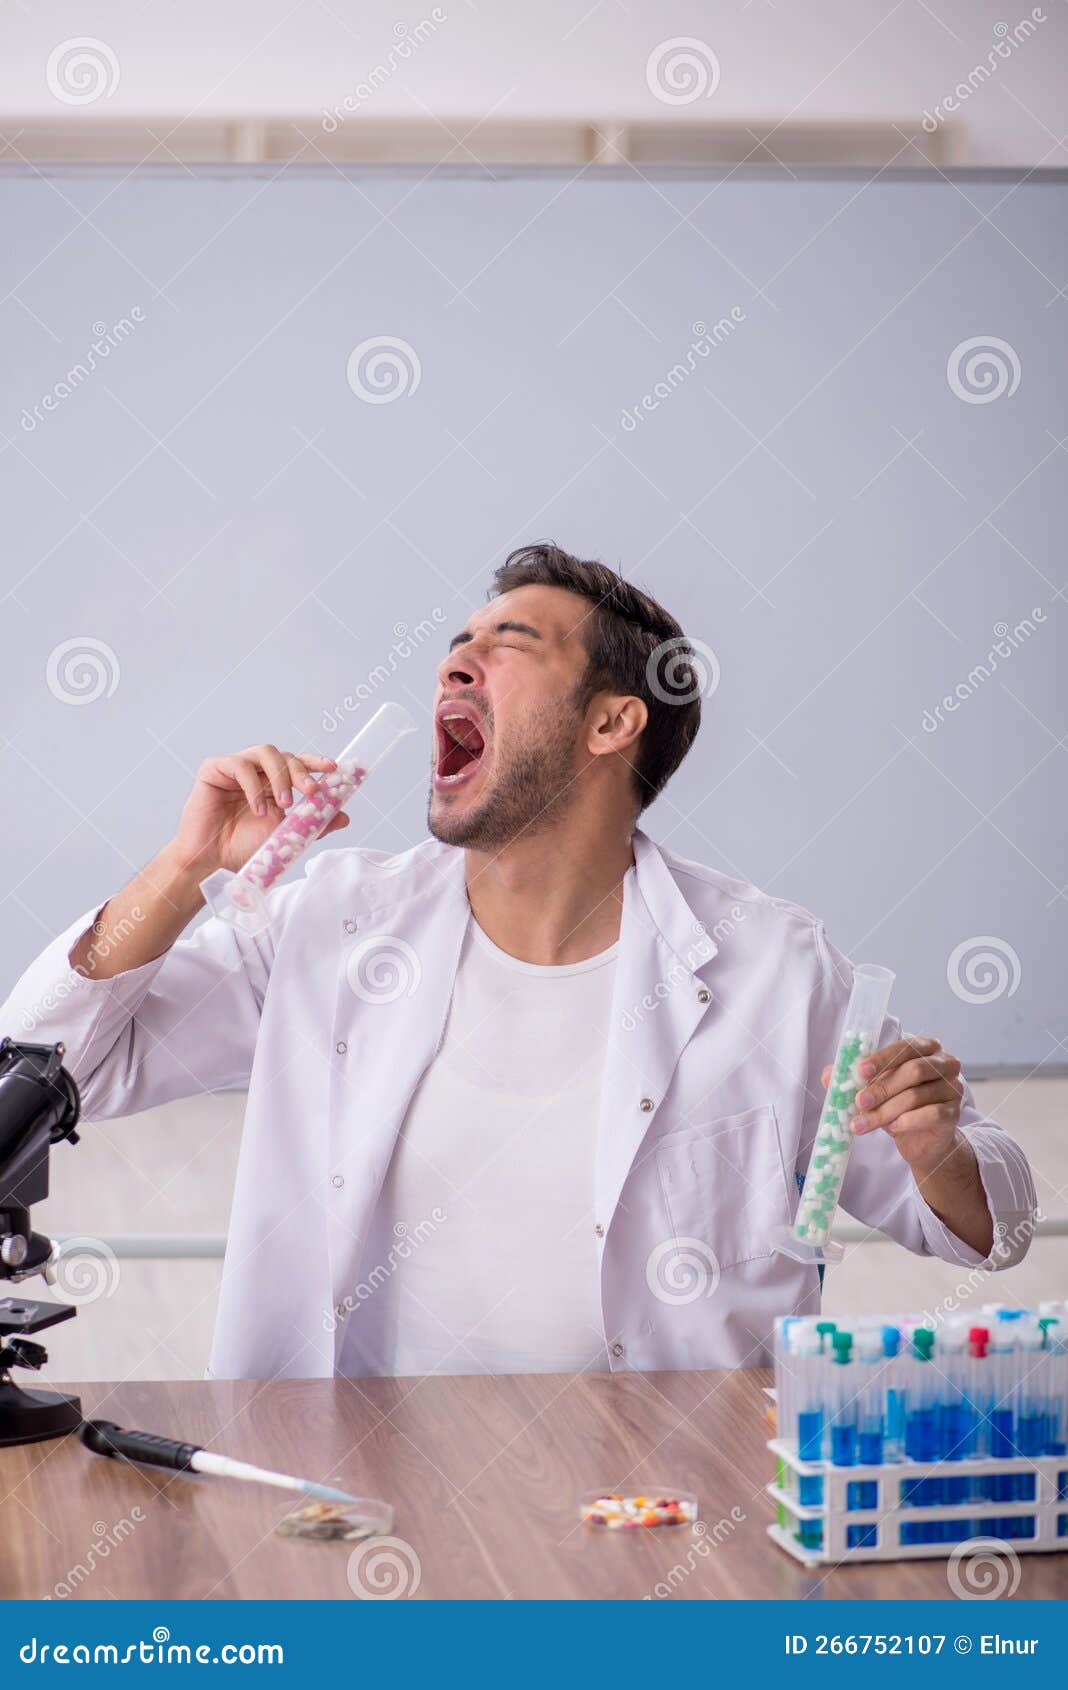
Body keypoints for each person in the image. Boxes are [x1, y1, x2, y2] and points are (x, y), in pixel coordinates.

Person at [0, 544, 1036, 1380]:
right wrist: (186, 867)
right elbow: (52, 1062)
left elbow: (989, 1228)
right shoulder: (333, 924)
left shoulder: (777, 968)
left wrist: (938, 1149)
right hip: (355, 1519)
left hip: (671, 1529)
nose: (456, 660)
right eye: (458, 644)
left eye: (509, 644)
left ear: (612, 720)